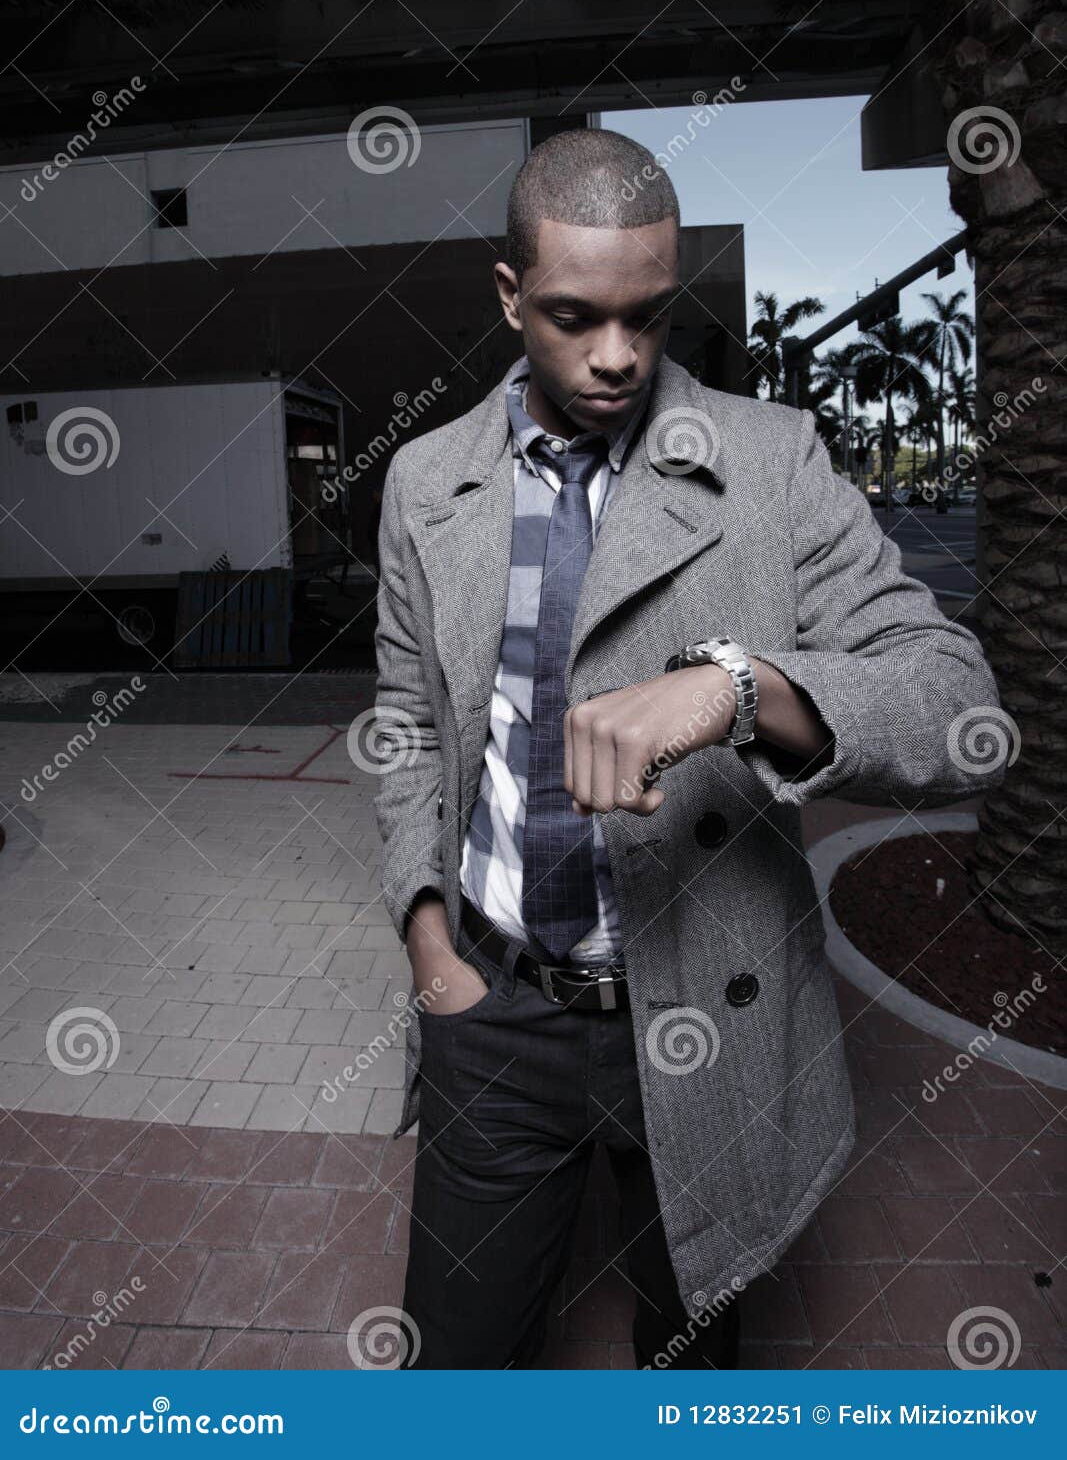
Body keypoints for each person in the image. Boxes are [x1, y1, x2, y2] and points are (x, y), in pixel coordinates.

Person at [371, 127, 1004, 1369]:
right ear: (508, 297)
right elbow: (406, 717)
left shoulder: (768, 462)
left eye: (647, 317)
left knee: (690, 1366)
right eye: (571, 316)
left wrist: (734, 687)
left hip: (706, 1008)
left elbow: (958, 711)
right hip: (495, 1014)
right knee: (455, 1375)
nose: (615, 357)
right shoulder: (423, 481)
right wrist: (428, 940)